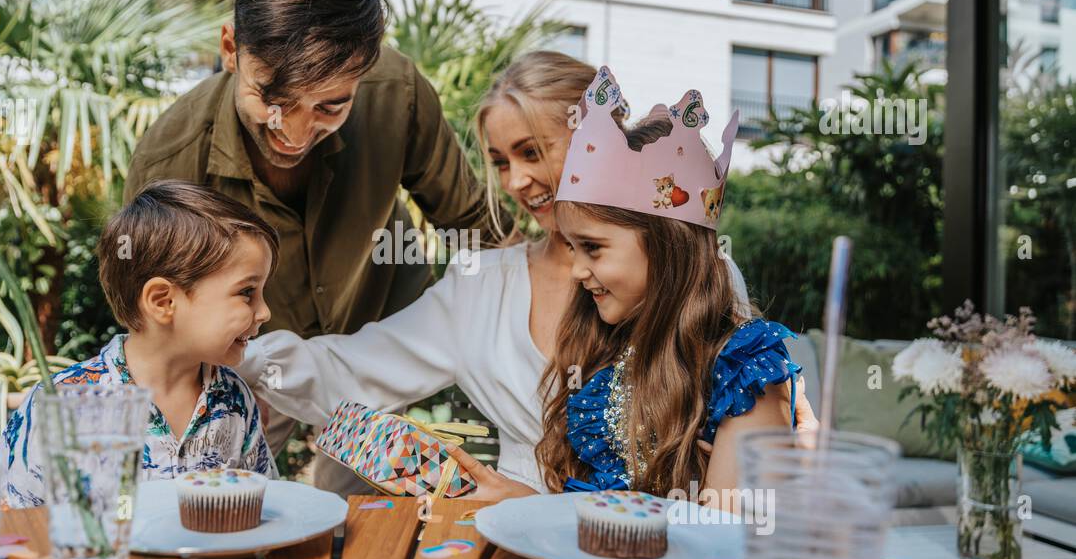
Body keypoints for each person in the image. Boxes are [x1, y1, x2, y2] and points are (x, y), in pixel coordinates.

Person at [237, 53, 795, 499]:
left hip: (647, 548)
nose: (515, 181)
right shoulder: (481, 285)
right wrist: (237, 352)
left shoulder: (696, 277)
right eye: (501, 162)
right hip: (511, 536)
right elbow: (351, 369)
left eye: (531, 152)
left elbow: (736, 439)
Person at [123, 0, 496, 490]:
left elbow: (472, 228)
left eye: (330, 105)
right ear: (230, 48)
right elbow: (156, 324)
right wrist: (215, 384)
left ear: (364, 72)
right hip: (244, 359)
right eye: (273, 99)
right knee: (217, 505)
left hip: (375, 336)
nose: (294, 134)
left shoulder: (397, 95)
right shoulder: (171, 161)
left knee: (366, 517)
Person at [533, 68, 801, 509]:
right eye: (572, 247)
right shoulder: (605, 350)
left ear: (664, 248)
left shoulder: (743, 368)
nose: (577, 270)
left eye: (593, 248)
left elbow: (730, 532)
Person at [0, 181, 278, 508]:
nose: (265, 312)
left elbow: (261, 508)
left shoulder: (237, 400)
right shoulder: (60, 404)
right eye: (247, 292)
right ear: (163, 301)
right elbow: (14, 521)